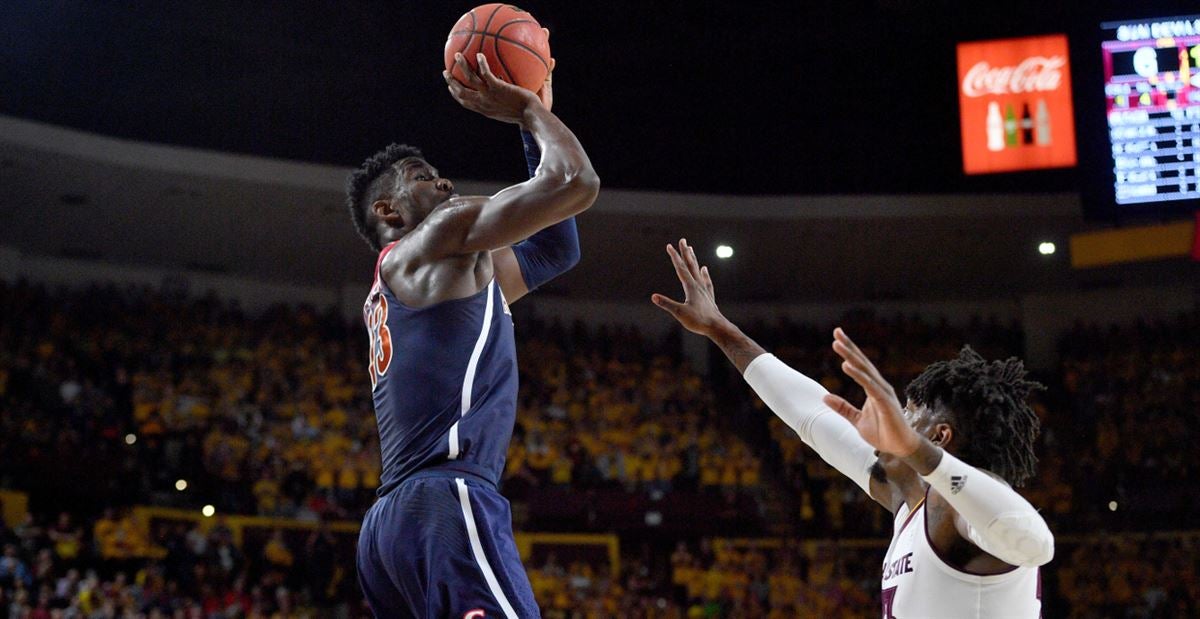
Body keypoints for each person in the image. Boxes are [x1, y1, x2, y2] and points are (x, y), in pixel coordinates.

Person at [652, 239, 1054, 618]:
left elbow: (1035, 543)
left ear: (939, 436)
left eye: (908, 414)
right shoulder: (909, 499)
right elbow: (810, 415)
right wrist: (720, 330)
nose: (889, 421)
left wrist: (915, 450)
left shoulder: (956, 508)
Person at [345, 42, 598, 618]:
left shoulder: (439, 277)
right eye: (422, 178)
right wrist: (529, 111)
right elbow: (577, 182)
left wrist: (533, 128)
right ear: (388, 212)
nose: (444, 183)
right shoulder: (437, 238)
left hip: (392, 528)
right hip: (445, 498)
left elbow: (557, 247)